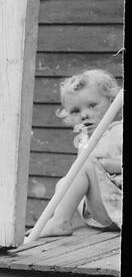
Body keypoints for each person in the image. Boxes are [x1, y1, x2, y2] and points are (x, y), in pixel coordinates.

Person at [31, 68, 122, 237]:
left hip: (117, 204)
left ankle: (60, 222)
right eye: (75, 111)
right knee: (64, 182)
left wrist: (104, 165)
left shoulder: (119, 131)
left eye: (93, 105)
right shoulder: (85, 139)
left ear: (112, 101)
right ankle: (60, 219)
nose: (85, 115)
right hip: (102, 211)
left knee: (83, 165)